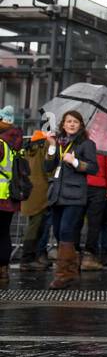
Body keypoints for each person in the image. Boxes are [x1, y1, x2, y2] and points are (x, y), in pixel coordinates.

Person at [44, 110, 98, 289]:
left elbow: (93, 168)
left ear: (81, 125)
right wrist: (51, 146)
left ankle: (63, 275)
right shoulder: (59, 143)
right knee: (59, 233)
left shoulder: (86, 144)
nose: (72, 124)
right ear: (63, 124)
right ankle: (72, 270)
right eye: (68, 121)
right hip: (58, 195)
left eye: (75, 121)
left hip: (75, 195)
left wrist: (75, 162)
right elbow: (48, 167)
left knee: (67, 231)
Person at [79, 145, 107, 271]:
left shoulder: (79, 140)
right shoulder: (106, 142)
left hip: (78, 184)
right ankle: (89, 257)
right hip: (98, 185)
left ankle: (72, 256)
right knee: (94, 223)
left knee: (75, 220)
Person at [19, 130, 52, 270]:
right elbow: (49, 168)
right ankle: (27, 259)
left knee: (34, 224)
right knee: (36, 225)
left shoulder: (27, 149)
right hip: (41, 190)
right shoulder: (44, 146)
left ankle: (33, 256)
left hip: (28, 191)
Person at [0, 106, 23, 281]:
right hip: (11, 196)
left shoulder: (0, 143)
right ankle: (3, 270)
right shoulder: (16, 142)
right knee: (4, 233)